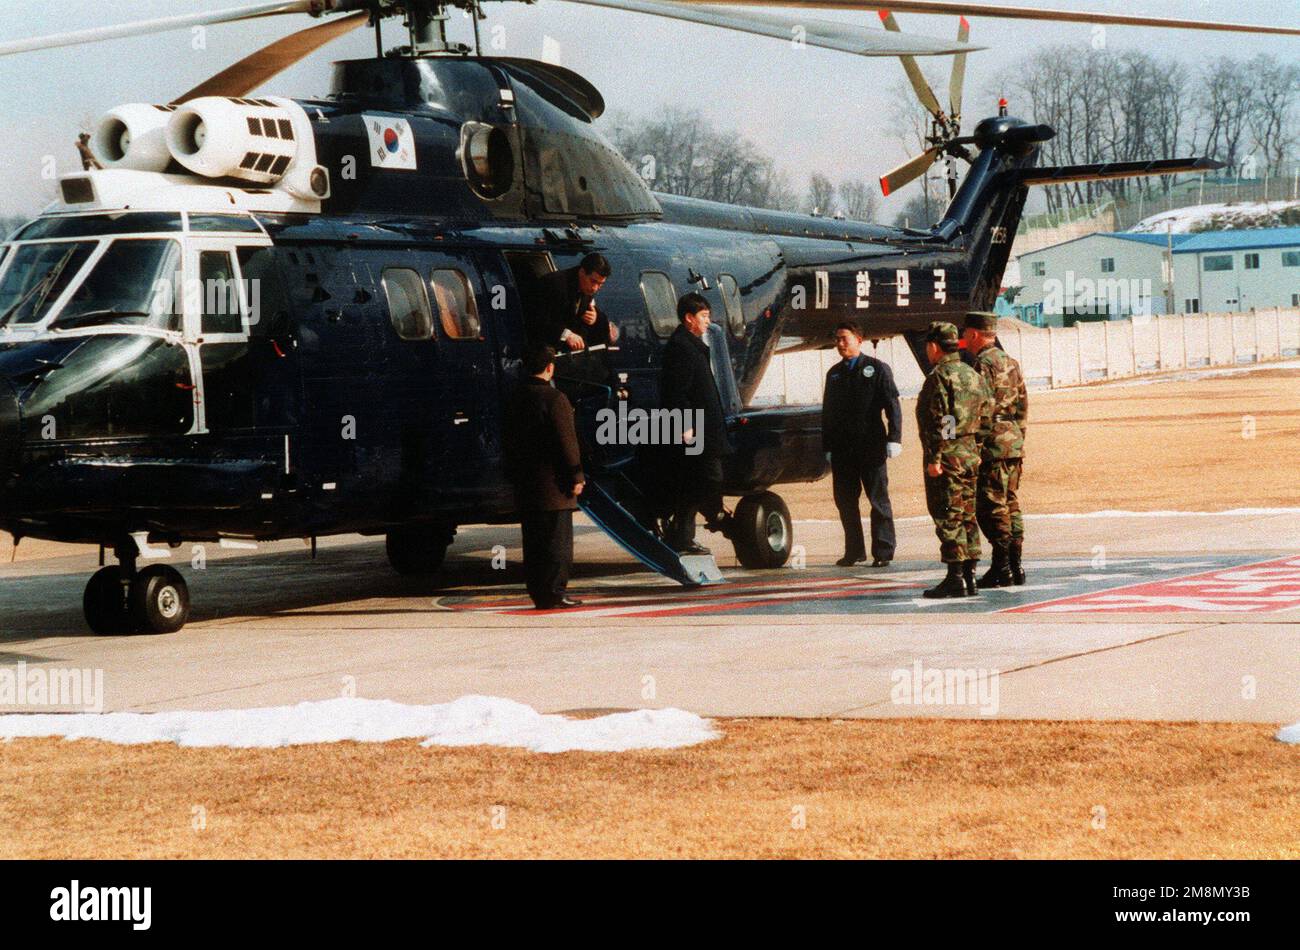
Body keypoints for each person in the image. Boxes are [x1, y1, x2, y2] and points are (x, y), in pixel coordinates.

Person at [502, 344, 586, 609]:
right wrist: (576, 475)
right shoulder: (555, 399)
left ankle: (539, 592)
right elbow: (566, 442)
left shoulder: (514, 397)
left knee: (534, 540)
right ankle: (555, 591)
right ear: (550, 368)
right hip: (554, 484)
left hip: (527, 482)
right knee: (557, 542)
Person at [915, 321, 992, 598]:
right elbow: (986, 415)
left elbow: (941, 420)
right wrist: (977, 447)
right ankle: (970, 574)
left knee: (948, 514)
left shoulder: (940, 376)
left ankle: (955, 576)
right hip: (970, 454)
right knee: (967, 514)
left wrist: (936, 457)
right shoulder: (972, 374)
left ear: (934, 346)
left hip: (948, 456)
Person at [821, 321, 902, 567]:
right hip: (843, 450)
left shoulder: (877, 369)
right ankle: (854, 550)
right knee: (845, 501)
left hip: (871, 447)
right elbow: (828, 413)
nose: (840, 344)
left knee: (877, 500)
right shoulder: (834, 374)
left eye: (844, 338)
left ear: (859, 339)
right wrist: (827, 446)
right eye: (837, 339)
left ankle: (883, 551)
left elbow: (893, 406)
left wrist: (894, 438)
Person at [660, 291, 730, 555]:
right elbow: (676, 392)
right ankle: (705, 522)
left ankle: (684, 535)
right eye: (703, 316)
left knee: (696, 482)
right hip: (694, 430)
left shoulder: (693, 346)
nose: (707, 322)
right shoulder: (681, 348)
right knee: (705, 479)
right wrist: (685, 426)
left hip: (703, 428)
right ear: (689, 319)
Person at [962, 312, 1029, 587]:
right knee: (1010, 502)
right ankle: (1016, 565)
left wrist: (976, 446)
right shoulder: (1010, 362)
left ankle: (1002, 566)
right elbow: (1023, 404)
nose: (964, 338)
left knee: (991, 506)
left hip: (992, 445)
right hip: (1013, 441)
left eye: (966, 333)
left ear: (975, 334)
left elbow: (980, 410)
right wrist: (1018, 437)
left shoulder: (981, 365)